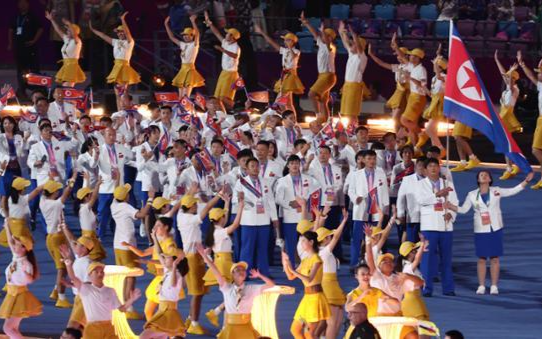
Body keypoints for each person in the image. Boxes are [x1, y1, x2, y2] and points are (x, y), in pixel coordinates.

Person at [446, 170, 533, 294]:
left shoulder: (496, 190)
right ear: (478, 180)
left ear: (490, 179)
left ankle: (494, 286)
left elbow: (513, 190)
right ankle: (481, 285)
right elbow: (464, 210)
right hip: (481, 229)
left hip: (495, 228)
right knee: (481, 258)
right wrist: (450, 206)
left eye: (486, 174)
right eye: (481, 175)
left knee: (495, 258)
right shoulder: (471, 194)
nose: (484, 175)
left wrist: (526, 181)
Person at [198, 245, 275, 339]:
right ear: (232, 275)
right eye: (237, 270)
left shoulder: (251, 288)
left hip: (246, 327)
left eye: (243, 270)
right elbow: (215, 271)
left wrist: (260, 275)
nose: (241, 271)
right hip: (231, 328)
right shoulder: (226, 287)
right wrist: (204, 256)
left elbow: (271, 285)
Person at [176, 186, 225, 334]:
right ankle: (195, 323)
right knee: (197, 293)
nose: (197, 206)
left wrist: (191, 191)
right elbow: (208, 207)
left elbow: (182, 203)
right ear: (190, 207)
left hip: (194, 255)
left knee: (197, 291)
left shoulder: (180, 215)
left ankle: (191, 319)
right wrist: (219, 195)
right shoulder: (191, 219)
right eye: (195, 205)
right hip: (193, 258)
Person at [64, 261, 142, 339]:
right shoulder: (86, 289)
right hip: (93, 328)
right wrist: (68, 264)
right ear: (90, 275)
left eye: (102, 272)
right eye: (96, 272)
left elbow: (121, 309)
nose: (100, 274)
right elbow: (73, 277)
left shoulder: (110, 290)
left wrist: (131, 300)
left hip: (109, 326)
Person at [123, 217, 180, 320]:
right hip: (158, 280)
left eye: (158, 226)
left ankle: (168, 333)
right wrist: (129, 246)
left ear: (166, 227)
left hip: (166, 281)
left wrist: (149, 261)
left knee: (164, 312)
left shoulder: (170, 244)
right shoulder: (160, 243)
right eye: (155, 225)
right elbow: (143, 253)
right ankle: (154, 332)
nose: (154, 228)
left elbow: (168, 263)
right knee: (148, 311)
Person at [415, 158, 458, 297]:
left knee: (446, 259)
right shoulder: (421, 184)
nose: (433, 168)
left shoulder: (448, 183)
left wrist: (451, 215)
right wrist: (438, 194)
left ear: (439, 168)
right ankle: (427, 288)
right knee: (427, 259)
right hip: (429, 226)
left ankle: (448, 288)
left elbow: (455, 201)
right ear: (425, 170)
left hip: (446, 226)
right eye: (430, 166)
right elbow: (421, 201)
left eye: (436, 166)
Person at [111, 183, 151, 319]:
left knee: (125, 276)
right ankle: (129, 308)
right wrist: (150, 199)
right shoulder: (125, 207)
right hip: (127, 246)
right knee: (130, 277)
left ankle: (125, 304)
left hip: (118, 245)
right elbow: (142, 214)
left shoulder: (114, 205)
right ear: (126, 196)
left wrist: (117, 179)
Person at [202, 196, 244, 327]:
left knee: (232, 294)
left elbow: (225, 216)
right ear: (220, 219)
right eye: (223, 216)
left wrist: (227, 201)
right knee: (233, 293)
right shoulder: (219, 232)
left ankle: (216, 313)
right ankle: (220, 318)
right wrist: (241, 207)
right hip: (224, 263)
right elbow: (235, 225)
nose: (225, 217)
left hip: (225, 261)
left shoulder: (216, 229)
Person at [139, 230, 188, 339]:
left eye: (167, 258)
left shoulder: (177, 275)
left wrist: (174, 267)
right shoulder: (168, 270)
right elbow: (160, 253)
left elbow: (173, 284)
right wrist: (154, 238)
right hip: (163, 311)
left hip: (168, 312)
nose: (164, 259)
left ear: (175, 262)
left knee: (144, 337)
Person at [235, 157, 280, 276]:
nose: (255, 169)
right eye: (252, 166)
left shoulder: (265, 182)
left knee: (263, 248)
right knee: (247, 249)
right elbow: (236, 200)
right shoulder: (241, 182)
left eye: (257, 166)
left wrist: (274, 218)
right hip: (248, 220)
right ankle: (243, 274)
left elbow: (270, 201)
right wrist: (247, 202)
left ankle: (263, 272)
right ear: (247, 169)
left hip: (264, 220)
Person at [282, 231, 330, 339]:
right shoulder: (305, 260)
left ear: (311, 242)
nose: (301, 244)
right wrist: (286, 263)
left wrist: (293, 270)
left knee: (310, 334)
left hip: (315, 300)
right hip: (306, 300)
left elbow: (309, 279)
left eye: (303, 241)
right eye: (300, 241)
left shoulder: (316, 260)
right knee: (295, 329)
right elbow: (290, 277)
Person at [89, 12, 140, 110]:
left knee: (124, 91)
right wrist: (93, 30)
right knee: (117, 92)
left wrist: (123, 20)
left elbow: (128, 33)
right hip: (116, 67)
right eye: (119, 32)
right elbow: (103, 36)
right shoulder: (115, 42)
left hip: (124, 67)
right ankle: (119, 111)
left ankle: (126, 111)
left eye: (122, 32)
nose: (120, 33)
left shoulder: (130, 42)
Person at [275, 155, 320, 265]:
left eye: (296, 163)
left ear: (299, 165)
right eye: (292, 163)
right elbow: (278, 199)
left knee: (307, 243)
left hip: (305, 216)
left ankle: (307, 264)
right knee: (291, 243)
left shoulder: (309, 179)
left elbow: (316, 194)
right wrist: (291, 204)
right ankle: (291, 267)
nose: (294, 165)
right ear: (288, 165)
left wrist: (307, 203)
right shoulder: (282, 181)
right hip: (290, 216)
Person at [0, 219, 42, 339]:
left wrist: (25, 272)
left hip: (19, 297)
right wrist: (7, 227)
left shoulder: (26, 264)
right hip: (12, 295)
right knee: (12, 328)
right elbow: (9, 241)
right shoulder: (16, 256)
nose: (14, 245)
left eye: (17, 244)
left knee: (8, 328)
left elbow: (30, 280)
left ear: (24, 249)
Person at [348, 149, 390, 267]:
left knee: (378, 237)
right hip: (362, 209)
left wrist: (385, 208)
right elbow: (350, 190)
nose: (371, 161)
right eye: (369, 159)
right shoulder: (356, 175)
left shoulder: (381, 174)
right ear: (363, 160)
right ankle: (355, 263)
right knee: (357, 238)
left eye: (373, 159)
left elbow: (385, 191)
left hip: (377, 210)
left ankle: (377, 262)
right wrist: (356, 198)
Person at [39, 176, 76, 308]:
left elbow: (45, 191)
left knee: (63, 267)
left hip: (51, 237)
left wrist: (50, 178)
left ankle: (55, 291)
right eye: (57, 191)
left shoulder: (42, 201)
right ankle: (61, 298)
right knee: (62, 269)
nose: (59, 192)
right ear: (53, 193)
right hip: (57, 238)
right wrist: (71, 183)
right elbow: (66, 195)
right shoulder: (55, 204)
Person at [254, 24, 304, 117]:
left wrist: (289, 48)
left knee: (280, 99)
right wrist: (262, 33)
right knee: (288, 103)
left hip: (291, 75)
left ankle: (273, 111)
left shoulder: (296, 51)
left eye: (288, 40)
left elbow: (294, 57)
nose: (285, 42)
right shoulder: (284, 50)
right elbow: (272, 43)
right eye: (285, 40)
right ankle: (292, 119)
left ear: (293, 42)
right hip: (284, 75)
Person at [315, 209, 348, 339]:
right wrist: (344, 221)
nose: (331, 237)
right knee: (333, 322)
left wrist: (319, 218)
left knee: (337, 321)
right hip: (329, 287)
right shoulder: (325, 251)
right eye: (328, 236)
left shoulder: (321, 251)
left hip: (333, 285)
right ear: (324, 239)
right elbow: (336, 236)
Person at [344, 263, 401, 338]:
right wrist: (362, 296)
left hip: (372, 325)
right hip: (358, 327)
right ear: (356, 276)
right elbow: (347, 308)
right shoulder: (354, 294)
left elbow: (396, 302)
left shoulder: (376, 291)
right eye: (363, 274)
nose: (366, 276)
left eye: (368, 274)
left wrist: (388, 299)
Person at [299, 11, 337, 122]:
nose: (322, 36)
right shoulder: (321, 44)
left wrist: (322, 31)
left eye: (325, 35)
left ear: (330, 38)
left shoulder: (331, 47)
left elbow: (326, 42)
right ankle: (326, 121)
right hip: (323, 76)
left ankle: (318, 115)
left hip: (328, 76)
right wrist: (306, 23)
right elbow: (314, 34)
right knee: (322, 101)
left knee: (311, 94)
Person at [58, 223, 94, 330]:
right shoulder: (79, 258)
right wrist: (65, 228)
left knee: (72, 328)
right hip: (79, 298)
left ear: (84, 248)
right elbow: (70, 240)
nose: (74, 246)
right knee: (81, 328)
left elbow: (88, 284)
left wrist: (71, 284)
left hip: (85, 299)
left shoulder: (87, 263)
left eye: (77, 244)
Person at [368, 38, 409, 131]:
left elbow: (402, 57)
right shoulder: (398, 67)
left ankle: (400, 136)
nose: (398, 57)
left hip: (406, 93)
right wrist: (371, 55)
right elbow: (381, 63)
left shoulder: (409, 66)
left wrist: (396, 47)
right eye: (397, 56)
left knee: (398, 118)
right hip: (398, 93)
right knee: (396, 118)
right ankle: (399, 136)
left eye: (400, 55)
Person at [204, 10, 241, 109]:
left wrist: (222, 50)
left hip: (231, 74)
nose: (226, 35)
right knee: (218, 96)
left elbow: (234, 56)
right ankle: (220, 111)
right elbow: (216, 33)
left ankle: (233, 110)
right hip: (224, 72)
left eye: (228, 34)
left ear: (233, 37)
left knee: (225, 96)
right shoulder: (225, 42)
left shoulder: (236, 46)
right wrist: (209, 23)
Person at [494, 50, 522, 180]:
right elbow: (503, 74)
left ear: (513, 78)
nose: (505, 77)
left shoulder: (514, 89)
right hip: (503, 116)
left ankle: (510, 168)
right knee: (507, 143)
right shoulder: (507, 89)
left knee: (506, 144)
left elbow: (510, 82)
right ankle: (514, 166)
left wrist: (510, 73)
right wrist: (496, 60)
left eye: (508, 76)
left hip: (508, 116)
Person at [517, 50, 542, 189]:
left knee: (535, 150)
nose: (538, 74)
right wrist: (522, 64)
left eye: (540, 72)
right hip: (540, 119)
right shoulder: (541, 85)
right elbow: (531, 76)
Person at [8, 0, 43, 98]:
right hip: (19, 47)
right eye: (20, 3)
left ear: (28, 4)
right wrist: (10, 43)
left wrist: (34, 40)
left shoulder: (32, 16)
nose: (22, 5)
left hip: (30, 47)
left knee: (34, 69)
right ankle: (21, 90)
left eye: (24, 3)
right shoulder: (16, 17)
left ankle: (37, 91)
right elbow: (11, 30)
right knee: (20, 70)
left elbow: (40, 28)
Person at [164, 14, 205, 98]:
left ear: (192, 36)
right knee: (180, 95)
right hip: (183, 69)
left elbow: (197, 34)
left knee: (186, 94)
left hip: (190, 70)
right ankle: (182, 109)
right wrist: (166, 25)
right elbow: (172, 37)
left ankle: (187, 109)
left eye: (188, 35)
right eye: (184, 35)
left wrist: (193, 22)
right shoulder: (182, 44)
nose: (185, 36)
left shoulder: (194, 44)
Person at [395, 45, 428, 146]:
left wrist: (410, 78)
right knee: (410, 125)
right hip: (413, 96)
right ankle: (415, 148)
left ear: (418, 58)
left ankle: (422, 134)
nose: (410, 58)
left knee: (403, 120)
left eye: (414, 56)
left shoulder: (421, 70)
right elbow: (402, 56)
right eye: (410, 56)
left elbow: (423, 85)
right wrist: (396, 46)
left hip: (418, 97)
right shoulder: (412, 66)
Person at [45, 10, 85, 87]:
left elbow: (74, 34)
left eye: (69, 30)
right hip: (66, 65)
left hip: (72, 66)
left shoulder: (77, 41)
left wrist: (69, 24)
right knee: (65, 88)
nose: (67, 31)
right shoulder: (67, 39)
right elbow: (58, 30)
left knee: (67, 88)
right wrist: (52, 20)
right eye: (67, 30)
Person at [0, 178, 42, 247]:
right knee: (26, 246)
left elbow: (3, 203)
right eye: (25, 188)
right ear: (22, 190)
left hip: (11, 225)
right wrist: (46, 184)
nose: (25, 189)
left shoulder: (10, 199)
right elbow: (37, 190)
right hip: (20, 227)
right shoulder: (23, 199)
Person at [338, 21, 368, 118]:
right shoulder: (352, 54)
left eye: (354, 44)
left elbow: (359, 48)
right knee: (345, 111)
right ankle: (349, 129)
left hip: (354, 86)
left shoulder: (362, 57)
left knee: (351, 112)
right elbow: (345, 42)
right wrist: (341, 32)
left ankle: (353, 129)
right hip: (347, 85)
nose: (351, 45)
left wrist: (354, 35)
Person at [397, 157, 427, 242]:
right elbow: (401, 197)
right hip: (413, 217)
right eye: (419, 165)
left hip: (429, 218)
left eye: (424, 166)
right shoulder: (407, 180)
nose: (421, 168)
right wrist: (401, 213)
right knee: (412, 243)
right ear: (415, 167)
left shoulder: (432, 180)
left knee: (427, 244)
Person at [398, 241, 430, 320]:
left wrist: (421, 249)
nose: (416, 252)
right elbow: (417, 260)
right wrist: (421, 247)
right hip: (413, 301)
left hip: (411, 299)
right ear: (409, 254)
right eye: (414, 251)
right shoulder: (408, 267)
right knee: (423, 328)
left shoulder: (405, 266)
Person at [76, 179, 106, 261]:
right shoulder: (86, 208)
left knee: (95, 259)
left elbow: (87, 192)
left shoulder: (82, 207)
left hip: (90, 235)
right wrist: (97, 185)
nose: (91, 196)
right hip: (89, 237)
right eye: (89, 195)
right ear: (86, 197)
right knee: (94, 259)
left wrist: (87, 179)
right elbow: (94, 197)